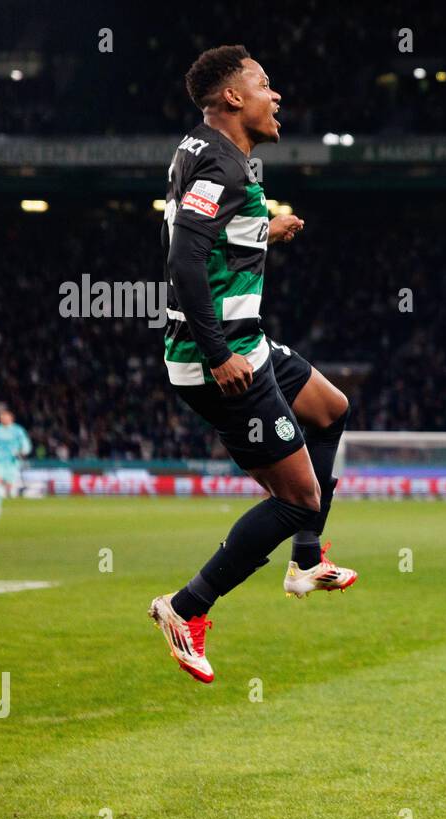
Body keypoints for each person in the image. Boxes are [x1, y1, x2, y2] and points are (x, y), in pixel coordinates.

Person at [149, 45, 356, 684]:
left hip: (249, 343)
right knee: (298, 497)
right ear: (233, 98)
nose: (277, 96)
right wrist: (218, 355)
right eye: (264, 84)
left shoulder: (217, 156)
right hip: (221, 355)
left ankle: (305, 563)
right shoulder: (221, 164)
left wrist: (269, 225)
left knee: (330, 410)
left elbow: (213, 233)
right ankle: (185, 608)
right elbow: (185, 258)